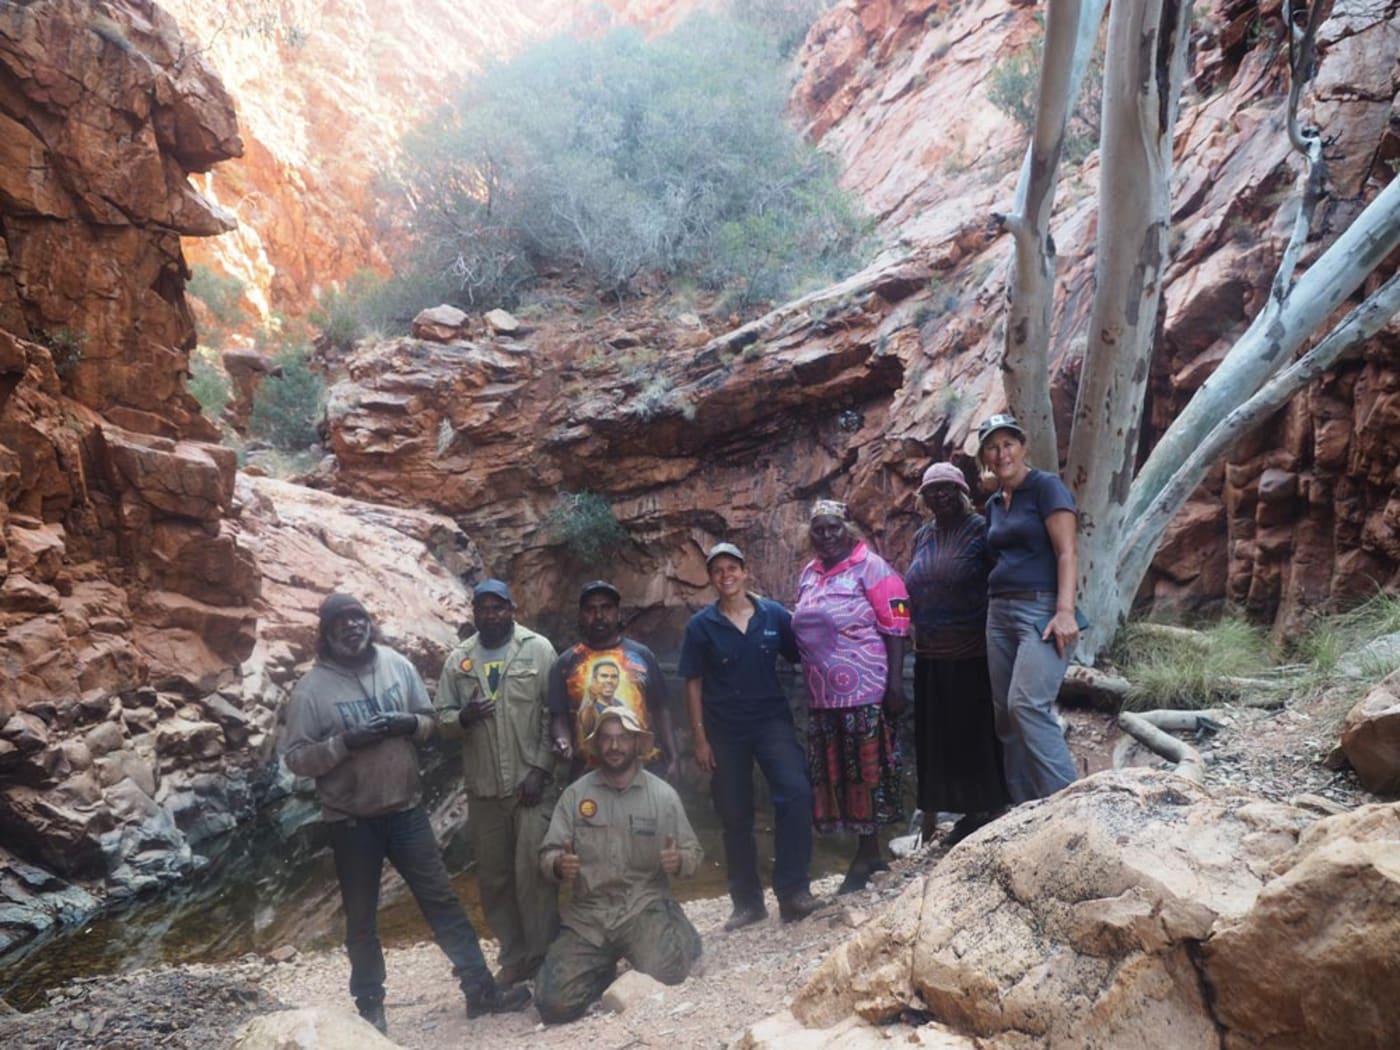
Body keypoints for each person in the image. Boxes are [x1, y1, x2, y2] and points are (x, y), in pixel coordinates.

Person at [280, 593, 530, 1035]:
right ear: (327, 632)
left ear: (369, 623)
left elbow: (431, 722)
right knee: (361, 918)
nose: (352, 627)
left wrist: (407, 725)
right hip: (350, 821)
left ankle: (480, 990)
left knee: (442, 901)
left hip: (407, 811)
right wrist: (345, 743)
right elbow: (296, 760)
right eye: (341, 621)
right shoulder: (311, 690)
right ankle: (370, 1009)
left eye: (358, 618)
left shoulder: (397, 664)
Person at [679, 542, 821, 930]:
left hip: (771, 721)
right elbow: (692, 683)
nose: (726, 575)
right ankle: (747, 902)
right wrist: (700, 740)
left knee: (796, 793)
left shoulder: (773, 615)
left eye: (732, 568)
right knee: (734, 813)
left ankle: (793, 892)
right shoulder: (700, 627)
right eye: (717, 570)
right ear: (710, 579)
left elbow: (804, 654)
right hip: (724, 730)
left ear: (745, 572)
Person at [534, 706, 704, 1023]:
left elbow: (693, 852)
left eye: (623, 739)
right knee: (552, 1005)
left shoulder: (663, 795)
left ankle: (681, 933)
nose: (614, 747)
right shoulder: (575, 796)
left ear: (638, 743)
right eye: (607, 739)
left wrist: (679, 860)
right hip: (589, 916)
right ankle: (601, 967)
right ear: (597, 745)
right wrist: (559, 865)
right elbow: (547, 855)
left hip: (643, 905)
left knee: (668, 972)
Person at [435, 579, 560, 987]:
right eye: (482, 608)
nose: (490, 614)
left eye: (497, 607)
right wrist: (463, 718)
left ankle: (543, 956)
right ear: (474, 613)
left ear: (512, 608)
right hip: (485, 789)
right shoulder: (459, 661)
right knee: (494, 879)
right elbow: (440, 719)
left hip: (530, 787)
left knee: (535, 875)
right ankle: (514, 954)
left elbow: (553, 715)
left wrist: (541, 770)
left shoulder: (538, 650)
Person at [791, 500, 911, 893]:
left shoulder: (871, 567)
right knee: (842, 776)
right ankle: (869, 851)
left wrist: (895, 685)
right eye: (819, 530)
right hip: (824, 698)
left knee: (866, 772)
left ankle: (864, 857)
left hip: (866, 691)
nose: (826, 536)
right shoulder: (809, 574)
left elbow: (897, 622)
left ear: (849, 530)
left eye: (833, 528)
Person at [978, 413, 1081, 802]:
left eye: (1008, 443)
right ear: (984, 456)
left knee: (1026, 705)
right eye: (992, 446)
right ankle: (1025, 809)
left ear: (1023, 447)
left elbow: (1068, 551)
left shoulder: (1046, 487)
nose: (1001, 452)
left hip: (1040, 610)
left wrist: (1065, 610)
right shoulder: (994, 504)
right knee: (1005, 716)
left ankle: (1069, 804)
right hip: (999, 612)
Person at [903, 463, 1008, 845]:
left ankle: (988, 810)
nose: (940, 496)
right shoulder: (921, 536)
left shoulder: (982, 530)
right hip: (928, 652)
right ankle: (940, 816)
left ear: (963, 492)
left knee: (972, 733)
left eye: (948, 488)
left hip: (972, 651)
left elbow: (1000, 581)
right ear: (924, 498)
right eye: (933, 490)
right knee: (936, 737)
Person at [548, 580, 679, 781]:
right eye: (591, 610)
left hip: (642, 768)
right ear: (581, 616)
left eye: (606, 608)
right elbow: (559, 716)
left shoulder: (643, 656)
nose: (599, 616)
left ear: (618, 613)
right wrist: (563, 741)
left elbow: (661, 708)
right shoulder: (566, 663)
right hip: (588, 772)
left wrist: (673, 757)